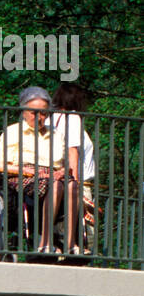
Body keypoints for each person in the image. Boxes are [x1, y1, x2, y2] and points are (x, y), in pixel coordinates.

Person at [0, 86, 71, 255]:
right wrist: (32, 172)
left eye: (43, 113)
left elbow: (66, 164)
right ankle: (46, 241)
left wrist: (63, 171)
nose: (39, 117)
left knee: (72, 186)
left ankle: (71, 243)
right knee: (55, 185)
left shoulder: (56, 134)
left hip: (53, 174)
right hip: (22, 173)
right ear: (24, 112)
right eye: (34, 112)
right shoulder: (13, 131)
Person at [51, 82, 94, 255]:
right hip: (78, 181)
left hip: (57, 180)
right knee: (87, 233)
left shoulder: (51, 118)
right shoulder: (72, 117)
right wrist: (76, 183)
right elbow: (72, 152)